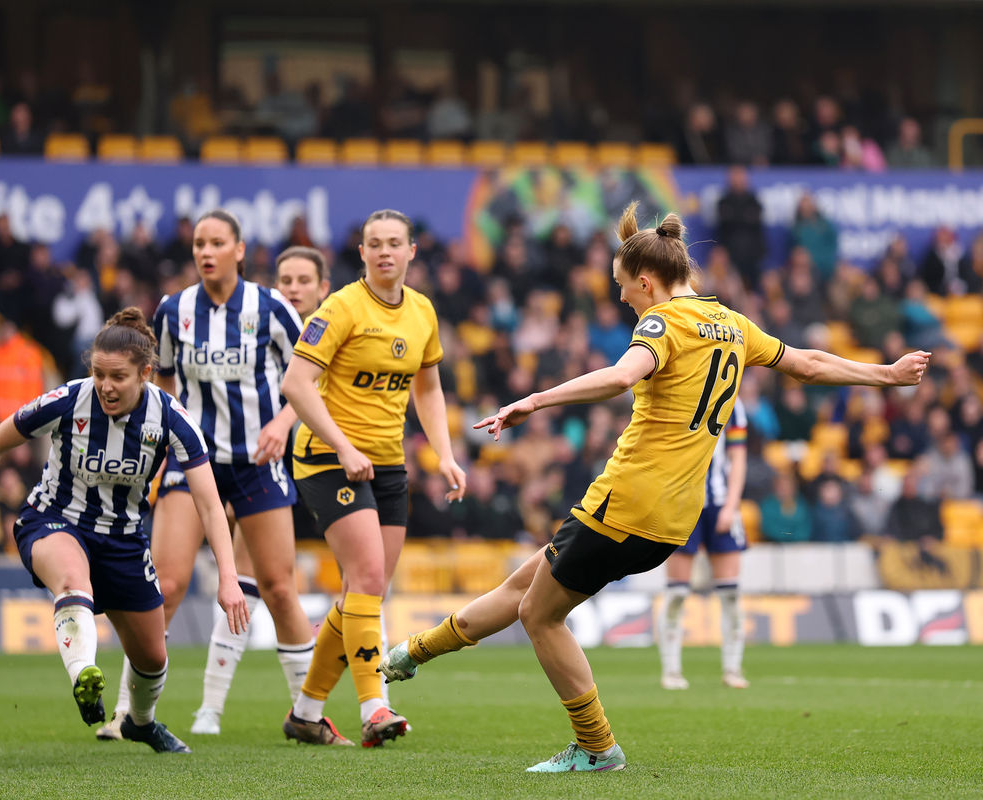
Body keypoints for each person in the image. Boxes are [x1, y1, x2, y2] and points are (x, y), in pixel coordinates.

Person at [378, 202, 929, 773]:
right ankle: (411, 654)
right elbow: (808, 365)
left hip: (626, 500)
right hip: (673, 520)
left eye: (623, 287)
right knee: (526, 586)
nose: (621, 299)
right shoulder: (733, 324)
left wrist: (534, 401)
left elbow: (620, 376)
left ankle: (596, 747)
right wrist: (885, 375)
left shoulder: (662, 322)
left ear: (646, 281)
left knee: (539, 616)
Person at [0, 308, 249, 753]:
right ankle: (83, 674)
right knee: (74, 580)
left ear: (146, 373)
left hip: (124, 539)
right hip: (54, 519)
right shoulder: (67, 401)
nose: (106, 386)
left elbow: (209, 502)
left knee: (152, 657)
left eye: (118, 377)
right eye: (98, 374)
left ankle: (140, 722)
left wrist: (228, 576)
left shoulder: (172, 419)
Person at [94, 211, 315, 741]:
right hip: (193, 464)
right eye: (199, 243)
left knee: (280, 589)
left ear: (240, 250)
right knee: (165, 586)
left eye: (218, 242)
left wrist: (285, 422)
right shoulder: (174, 310)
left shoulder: (271, 308)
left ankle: (307, 714)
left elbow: (314, 371)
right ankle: (127, 713)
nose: (206, 251)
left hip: (259, 463)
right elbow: (161, 382)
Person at [279, 209, 467, 747]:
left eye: (394, 244)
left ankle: (306, 712)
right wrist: (342, 445)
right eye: (374, 244)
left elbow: (428, 390)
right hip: (325, 457)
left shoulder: (423, 312)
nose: (384, 252)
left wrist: (446, 456)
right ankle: (375, 707)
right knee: (365, 580)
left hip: (385, 463)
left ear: (411, 252)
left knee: (365, 592)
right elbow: (297, 384)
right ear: (361, 253)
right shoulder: (340, 307)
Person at [186, 244, 332, 735]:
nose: (292, 289)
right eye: (285, 280)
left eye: (302, 281)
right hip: (275, 473)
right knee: (256, 581)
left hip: (329, 474)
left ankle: (371, 701)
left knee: (348, 588)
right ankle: (224, 708)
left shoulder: (333, 338)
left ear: (322, 289)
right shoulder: (269, 333)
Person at [658, 398, 750, 691]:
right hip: (681, 503)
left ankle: (732, 669)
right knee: (676, 593)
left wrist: (732, 505)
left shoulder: (732, 401)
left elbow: (738, 456)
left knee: (731, 593)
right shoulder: (677, 390)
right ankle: (671, 670)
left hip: (719, 503)